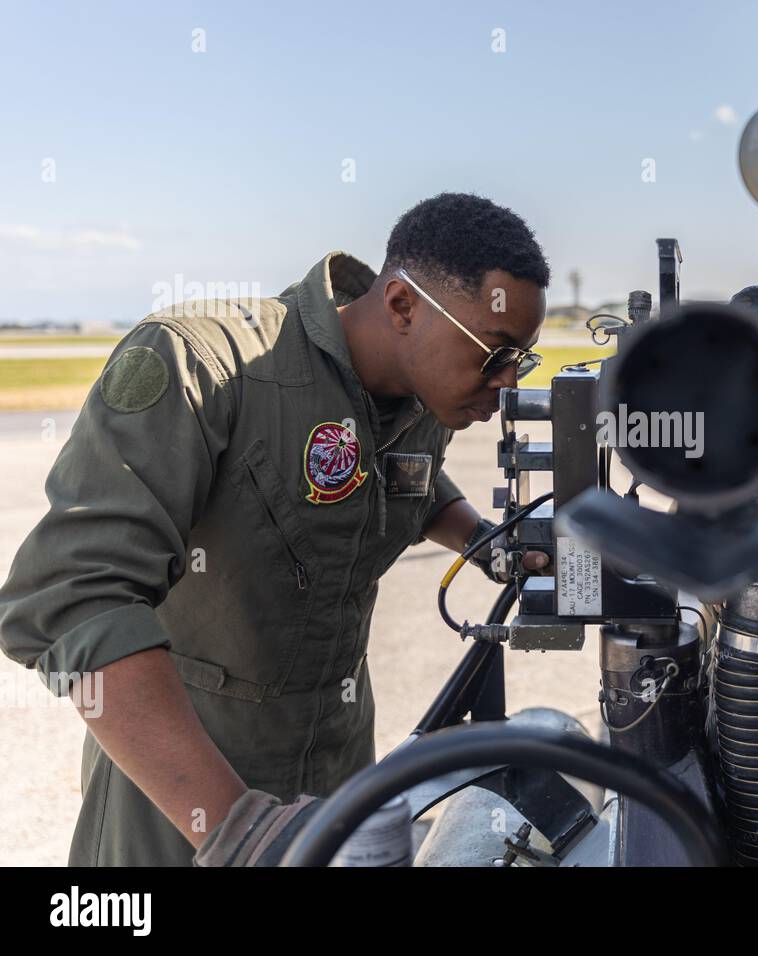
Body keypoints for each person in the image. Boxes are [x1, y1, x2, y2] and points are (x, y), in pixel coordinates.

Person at [0, 192, 551, 865]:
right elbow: (73, 597)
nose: (506, 383)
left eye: (521, 361)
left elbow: (407, 480)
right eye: (494, 354)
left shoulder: (424, 393)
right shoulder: (206, 365)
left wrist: (485, 542)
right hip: (187, 790)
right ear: (404, 305)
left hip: (338, 769)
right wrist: (239, 832)